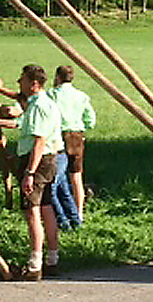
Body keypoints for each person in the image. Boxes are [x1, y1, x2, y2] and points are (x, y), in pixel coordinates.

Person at [14, 64, 64, 280]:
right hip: (46, 160)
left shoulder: (39, 106)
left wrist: (30, 172)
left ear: (34, 84)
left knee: (32, 211)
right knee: (46, 208)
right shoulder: (39, 103)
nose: (19, 83)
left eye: (22, 79)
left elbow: (39, 140)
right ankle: (52, 258)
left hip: (38, 161)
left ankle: (35, 263)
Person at [48, 65, 96, 222]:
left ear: (57, 77)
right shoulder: (81, 96)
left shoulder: (52, 94)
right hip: (77, 135)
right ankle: (79, 213)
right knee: (76, 177)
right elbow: (91, 119)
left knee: (55, 176)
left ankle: (59, 213)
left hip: (59, 135)